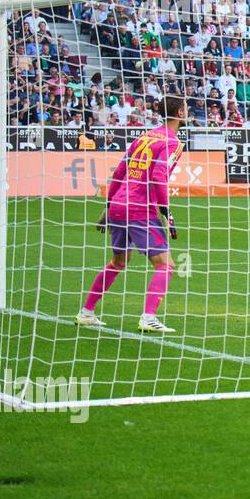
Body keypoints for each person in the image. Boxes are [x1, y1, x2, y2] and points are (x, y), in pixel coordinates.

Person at [76, 96, 185, 333]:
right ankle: (148, 317)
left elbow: (119, 171)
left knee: (118, 262)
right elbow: (158, 176)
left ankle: (86, 313)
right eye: (185, 109)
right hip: (139, 209)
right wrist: (166, 211)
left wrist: (108, 205)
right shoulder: (172, 142)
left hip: (118, 204)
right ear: (180, 113)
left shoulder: (144, 136)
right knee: (165, 265)